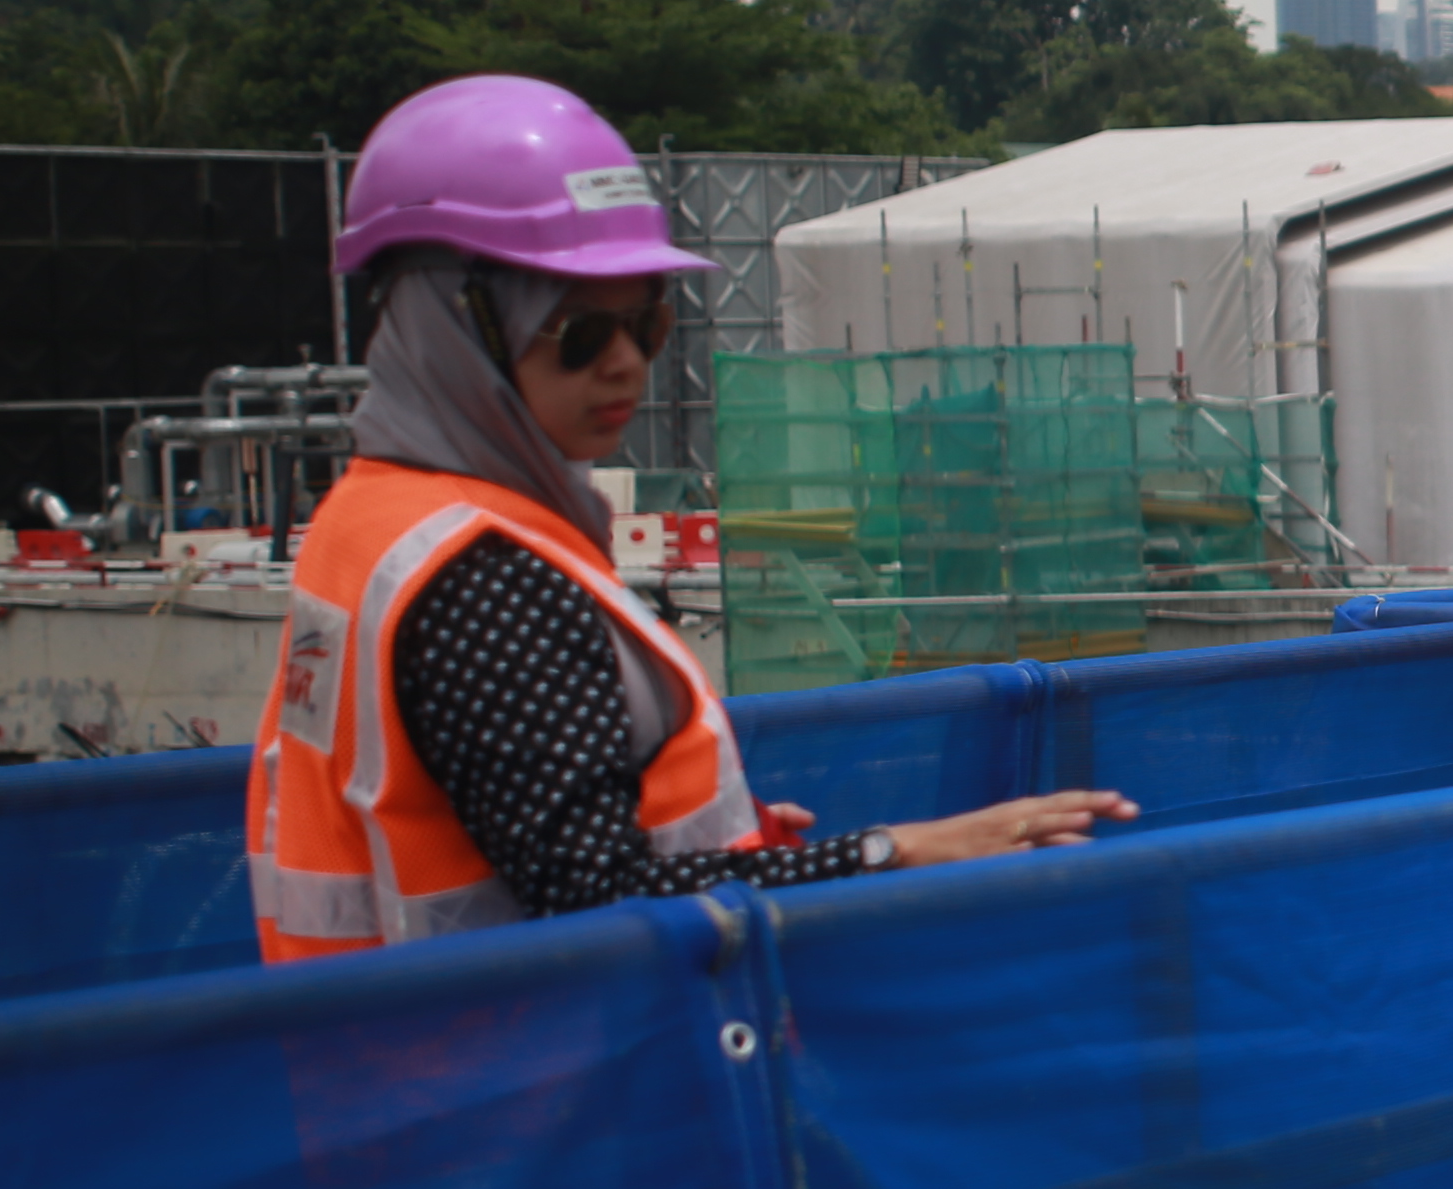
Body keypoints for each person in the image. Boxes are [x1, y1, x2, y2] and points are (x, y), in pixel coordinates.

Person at [248, 75, 1129, 960]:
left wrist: (719, 848)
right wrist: (890, 854)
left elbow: (501, 820)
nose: (628, 366)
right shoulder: (481, 576)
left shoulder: (374, 514)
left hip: (401, 1069)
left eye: (647, 325)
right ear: (451, 328)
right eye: (579, 333)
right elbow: (597, 901)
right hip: (533, 1075)